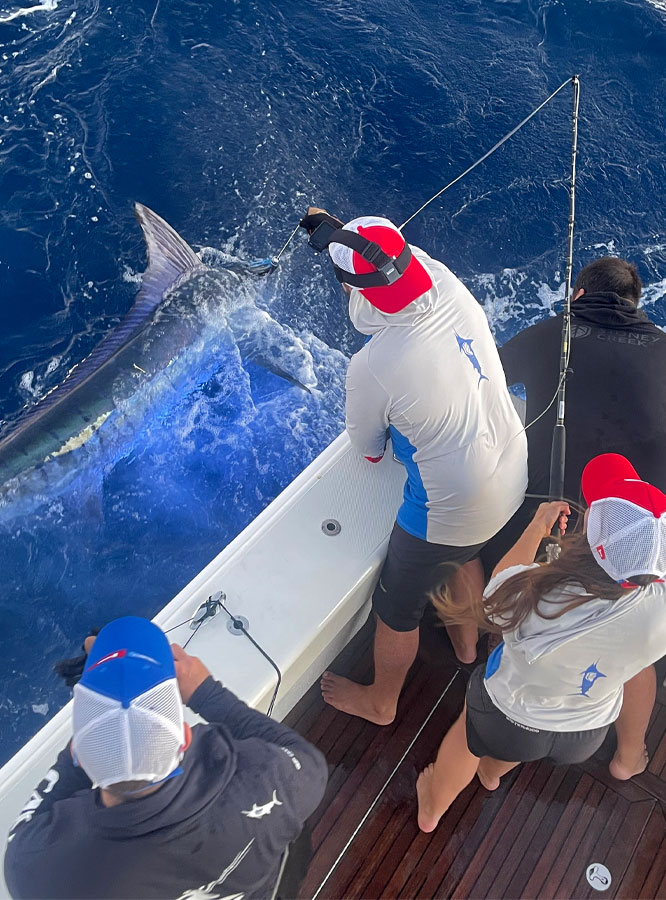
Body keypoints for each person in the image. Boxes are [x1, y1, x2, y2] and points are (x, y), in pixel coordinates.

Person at [300, 208, 527, 725]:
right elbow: (389, 257)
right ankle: (466, 650)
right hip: (512, 467)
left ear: (360, 294)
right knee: (463, 553)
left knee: (396, 609)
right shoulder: (445, 284)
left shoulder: (374, 364)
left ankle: (382, 702)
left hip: (454, 508)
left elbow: (370, 449)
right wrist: (333, 230)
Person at [416, 453, 666, 833]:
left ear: (593, 539)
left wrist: (538, 525)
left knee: (470, 738)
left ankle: (431, 807)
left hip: (511, 720)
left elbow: (497, 594)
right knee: (516, 750)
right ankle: (491, 775)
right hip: (586, 731)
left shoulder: (539, 597)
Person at [4, 616, 328, 899]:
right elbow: (305, 757)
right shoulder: (279, 779)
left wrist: (100, 721)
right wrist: (207, 693)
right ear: (186, 737)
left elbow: (37, 815)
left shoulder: (33, 867)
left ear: (78, 754)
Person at [481, 256, 666, 579]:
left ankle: (494, 629)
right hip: (657, 556)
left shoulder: (547, 334)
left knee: (474, 545)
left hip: (553, 545)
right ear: (634, 303)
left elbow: (480, 382)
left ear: (578, 296)